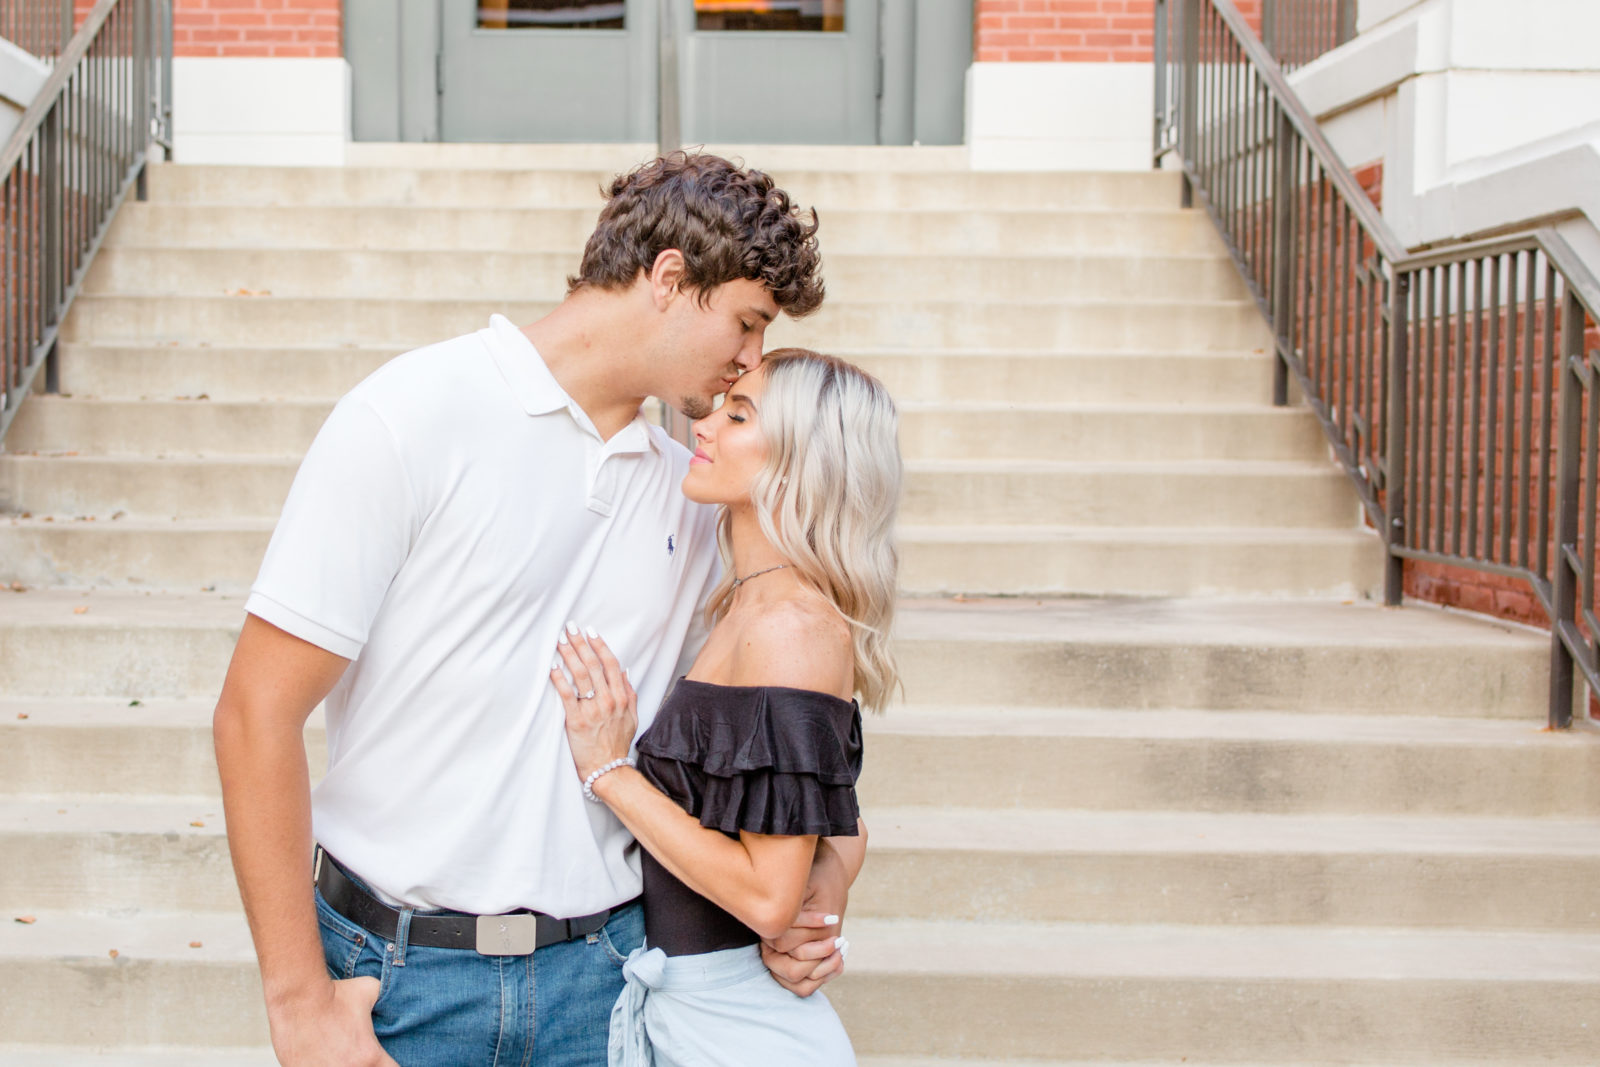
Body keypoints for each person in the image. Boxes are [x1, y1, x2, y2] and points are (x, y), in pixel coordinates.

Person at [211, 153, 852, 1067]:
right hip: (397, 980)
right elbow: (253, 716)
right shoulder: (410, 416)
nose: (751, 359)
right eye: (747, 322)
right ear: (671, 279)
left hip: (613, 982)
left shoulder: (699, 496)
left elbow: (797, 736)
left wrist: (818, 892)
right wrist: (299, 1001)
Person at [553, 349, 901, 1066]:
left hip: (735, 1025)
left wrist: (610, 771)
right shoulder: (747, 600)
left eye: (738, 415)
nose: (704, 424)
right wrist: (829, 881)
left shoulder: (790, 629)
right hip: (700, 1012)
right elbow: (832, 814)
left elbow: (767, 899)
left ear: (803, 459)